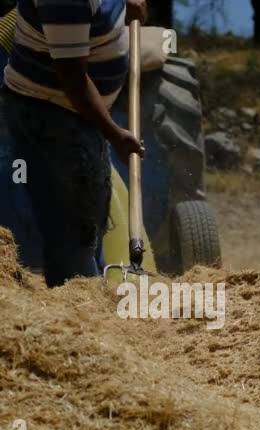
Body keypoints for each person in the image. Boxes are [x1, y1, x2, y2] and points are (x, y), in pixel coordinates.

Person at [2, 0, 147, 287]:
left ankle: (92, 283)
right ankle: (80, 303)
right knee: (75, 230)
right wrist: (113, 133)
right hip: (52, 114)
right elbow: (72, 79)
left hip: (80, 115)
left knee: (89, 218)